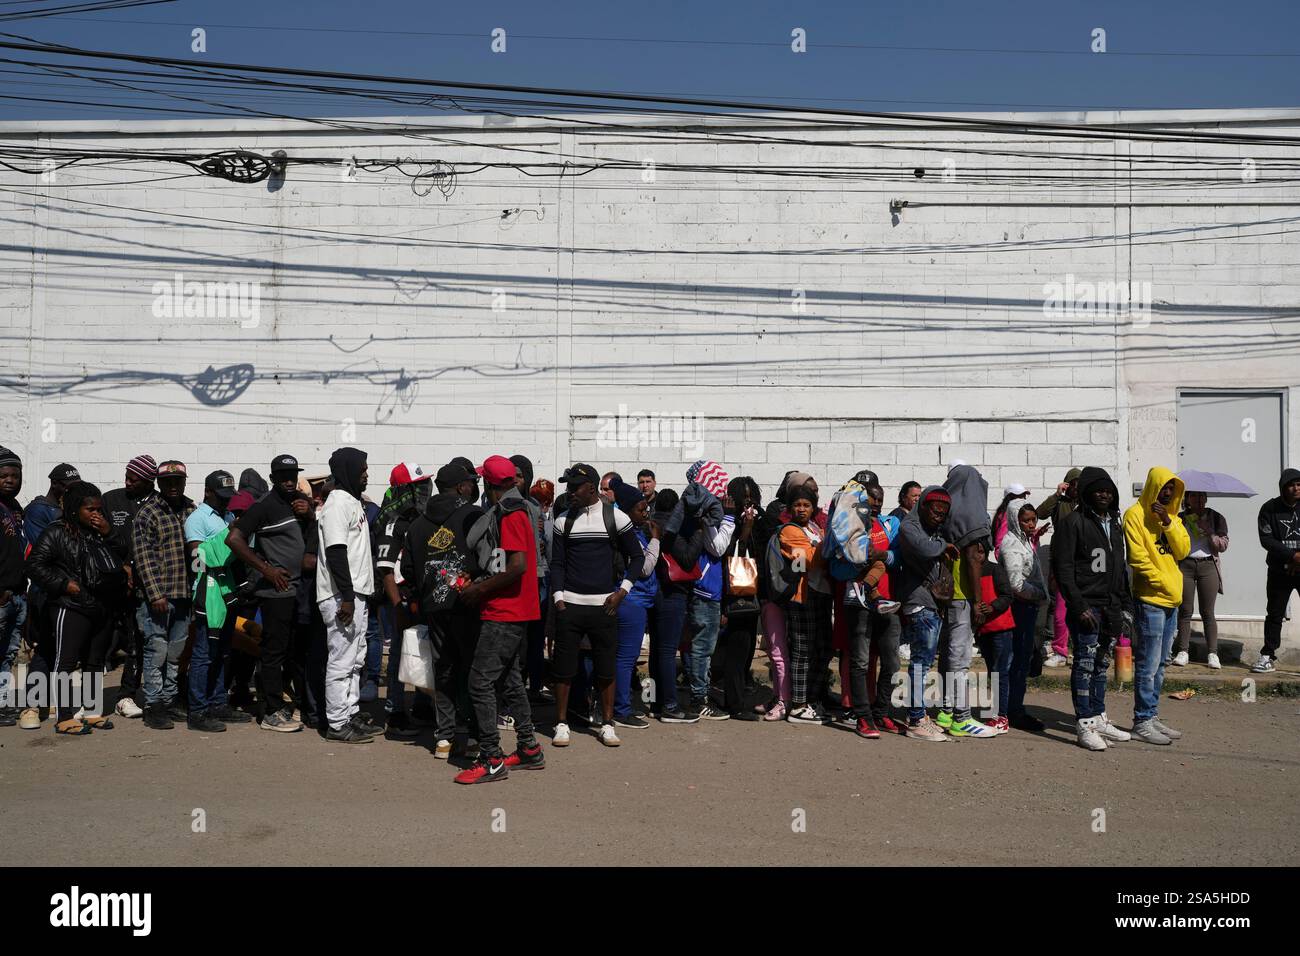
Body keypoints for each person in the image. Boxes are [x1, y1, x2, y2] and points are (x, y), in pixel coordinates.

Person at [453, 456, 544, 783]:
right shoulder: (511, 510)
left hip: (506, 611)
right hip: (510, 608)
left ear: (491, 485)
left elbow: (517, 565)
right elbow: (504, 559)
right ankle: (529, 748)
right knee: (509, 680)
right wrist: (479, 577)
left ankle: (491, 758)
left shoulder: (511, 513)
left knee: (479, 682)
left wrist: (480, 590)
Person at [549, 462, 644, 747]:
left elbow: (636, 558)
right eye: (567, 487)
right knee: (564, 669)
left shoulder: (615, 518)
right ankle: (562, 723)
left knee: (606, 668)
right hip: (571, 606)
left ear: (591, 487)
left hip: (605, 606)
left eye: (574, 487)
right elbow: (557, 564)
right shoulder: (562, 521)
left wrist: (622, 593)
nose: (569, 492)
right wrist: (558, 599)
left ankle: (607, 723)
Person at [26, 481, 125, 734]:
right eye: (90, 509)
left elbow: (123, 553)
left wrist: (109, 532)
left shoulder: (98, 531)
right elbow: (35, 565)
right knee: (66, 661)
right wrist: (64, 584)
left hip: (102, 605)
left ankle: (91, 712)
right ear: (73, 508)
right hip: (70, 606)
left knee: (94, 661)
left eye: (99, 509)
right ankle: (64, 717)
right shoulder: (57, 531)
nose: (96, 514)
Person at [401, 461, 484, 758]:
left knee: (444, 668)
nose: (474, 487)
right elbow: (486, 559)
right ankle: (475, 737)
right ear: (461, 487)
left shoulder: (418, 524)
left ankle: (444, 738)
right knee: (473, 670)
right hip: (468, 603)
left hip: (434, 607)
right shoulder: (474, 516)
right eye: (471, 483)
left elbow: (407, 569)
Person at [228, 454, 313, 732]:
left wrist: (309, 513)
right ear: (273, 478)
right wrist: (266, 570)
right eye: (283, 476)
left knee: (292, 650)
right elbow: (234, 539)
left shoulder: (299, 501)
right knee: (273, 651)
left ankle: (291, 703)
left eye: (292, 475)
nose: (289, 481)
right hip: (277, 590)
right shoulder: (263, 506)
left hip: (299, 588)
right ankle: (271, 712)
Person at [1052, 467, 1132, 751]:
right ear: (1086, 492)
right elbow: (1063, 568)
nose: (1104, 494)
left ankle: (1099, 717)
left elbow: (1120, 567)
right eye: (1098, 489)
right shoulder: (1073, 522)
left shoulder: (1115, 523)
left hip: (1110, 606)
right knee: (1084, 665)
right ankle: (1084, 724)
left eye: (1108, 490)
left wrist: (1124, 605)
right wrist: (1078, 604)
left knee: (1101, 665)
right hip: (1086, 606)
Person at [316, 447, 380, 744]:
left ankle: (350, 713)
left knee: (356, 660)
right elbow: (336, 552)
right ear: (347, 472)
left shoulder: (353, 502)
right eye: (362, 469)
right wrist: (347, 597)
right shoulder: (337, 504)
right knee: (342, 660)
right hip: (343, 596)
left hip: (356, 595)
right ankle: (338, 723)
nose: (366, 473)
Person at [1125, 467, 1191, 746]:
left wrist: (1167, 522)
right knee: (1148, 665)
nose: (1167, 493)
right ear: (1153, 486)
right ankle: (1141, 720)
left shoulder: (1170, 516)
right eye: (1163, 487)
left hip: (1172, 602)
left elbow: (1183, 550)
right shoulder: (1134, 516)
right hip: (1151, 601)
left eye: (1171, 490)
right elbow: (1138, 559)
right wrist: (1163, 584)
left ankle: (1151, 716)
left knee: (1161, 665)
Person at [183, 470, 251, 732]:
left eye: (228, 497)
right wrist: (228, 537)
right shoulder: (197, 519)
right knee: (203, 654)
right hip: (207, 592)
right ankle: (198, 711)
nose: (225, 502)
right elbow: (198, 559)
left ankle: (218, 702)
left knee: (223, 651)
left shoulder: (228, 515)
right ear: (207, 492)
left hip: (228, 591)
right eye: (220, 496)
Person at [131, 460, 195, 730]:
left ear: (183, 482)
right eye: (166, 482)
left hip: (184, 593)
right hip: (159, 597)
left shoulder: (191, 509)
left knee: (176, 652)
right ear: (158, 483)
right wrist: (155, 594)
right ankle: (153, 704)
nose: (172, 486)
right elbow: (143, 557)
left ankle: (170, 700)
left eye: (177, 481)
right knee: (156, 649)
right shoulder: (148, 512)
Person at [936, 464, 999, 738]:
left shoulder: (947, 512)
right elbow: (974, 558)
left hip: (947, 595)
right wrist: (979, 601)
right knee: (960, 658)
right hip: (962, 596)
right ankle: (962, 717)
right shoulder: (971, 515)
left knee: (948, 656)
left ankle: (946, 711)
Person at [374, 461, 434, 737]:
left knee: (423, 653)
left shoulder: (422, 519)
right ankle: (394, 712)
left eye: (426, 485)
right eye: (419, 486)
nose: (425, 490)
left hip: (423, 598)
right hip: (400, 598)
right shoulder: (392, 522)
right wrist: (397, 605)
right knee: (399, 654)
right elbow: (386, 568)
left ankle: (422, 705)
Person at [894, 486, 957, 741]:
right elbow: (925, 549)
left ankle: (916, 714)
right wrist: (942, 545)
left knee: (924, 662)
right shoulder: (910, 527)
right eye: (935, 511)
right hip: (919, 603)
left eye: (943, 514)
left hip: (932, 603)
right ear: (923, 507)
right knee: (920, 663)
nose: (938, 517)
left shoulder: (931, 530)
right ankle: (917, 721)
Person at [102, 454, 158, 718]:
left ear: (149, 481)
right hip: (107, 584)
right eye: (126, 475)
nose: (127, 482)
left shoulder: (159, 503)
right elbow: (97, 539)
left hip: (140, 588)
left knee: (137, 642)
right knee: (96, 641)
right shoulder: (112, 500)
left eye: (134, 479)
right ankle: (76, 700)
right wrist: (119, 566)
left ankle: (126, 696)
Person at [608, 477, 659, 729]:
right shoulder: (630, 536)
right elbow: (645, 568)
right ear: (627, 511)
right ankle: (621, 709)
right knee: (626, 658)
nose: (645, 512)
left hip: (633, 600)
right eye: (640, 509)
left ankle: (616, 705)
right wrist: (656, 539)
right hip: (632, 600)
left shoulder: (633, 532)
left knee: (622, 657)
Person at [780, 483, 832, 724]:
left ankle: (812, 699)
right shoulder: (789, 531)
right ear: (790, 508)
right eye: (797, 505)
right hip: (802, 597)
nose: (801, 509)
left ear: (813, 509)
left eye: (806, 505)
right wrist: (823, 546)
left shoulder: (814, 528)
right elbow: (806, 561)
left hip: (821, 593)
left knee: (823, 649)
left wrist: (819, 546)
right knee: (802, 651)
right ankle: (799, 705)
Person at [996, 500, 1048, 731]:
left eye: (1033, 520)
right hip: (1019, 608)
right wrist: (1039, 594)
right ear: (1015, 520)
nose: (1030, 524)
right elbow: (1017, 584)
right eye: (1025, 520)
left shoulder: (1025, 541)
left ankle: (1014, 707)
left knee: (1022, 659)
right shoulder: (1011, 545)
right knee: (1015, 661)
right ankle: (1011, 710)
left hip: (1028, 607)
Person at [650, 488, 699, 723]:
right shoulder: (672, 526)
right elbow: (687, 559)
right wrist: (698, 533)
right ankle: (670, 705)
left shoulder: (648, 522)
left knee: (657, 651)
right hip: (672, 592)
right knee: (668, 652)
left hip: (653, 592)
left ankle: (654, 701)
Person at [720, 477, 763, 721]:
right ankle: (734, 704)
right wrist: (744, 531)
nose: (747, 499)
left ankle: (737, 697)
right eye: (742, 495)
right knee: (736, 651)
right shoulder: (728, 520)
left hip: (754, 595)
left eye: (751, 494)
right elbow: (730, 554)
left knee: (746, 650)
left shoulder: (760, 519)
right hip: (734, 595)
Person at [1176, 491, 1229, 669]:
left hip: (1208, 565)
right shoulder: (1180, 518)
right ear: (1188, 499)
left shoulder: (1216, 517)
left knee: (1208, 612)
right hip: (1185, 565)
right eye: (1194, 496)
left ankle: (1212, 653)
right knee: (1185, 609)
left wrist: (1210, 532)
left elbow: (1223, 546)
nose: (1198, 500)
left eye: (1201, 496)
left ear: (1206, 498)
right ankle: (1183, 651)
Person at [1255, 467, 1300, 673]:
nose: (1296, 488)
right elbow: (1267, 539)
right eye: (1291, 485)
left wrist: (1299, 558)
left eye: (1299, 484)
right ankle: (1267, 655)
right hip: (1278, 571)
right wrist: (1292, 556)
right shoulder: (1269, 508)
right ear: (1283, 487)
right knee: (1274, 613)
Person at [1038, 468, 1082, 668]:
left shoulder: (1086, 503)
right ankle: (1060, 650)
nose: (1075, 487)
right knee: (1060, 608)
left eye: (1079, 483)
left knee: (1082, 608)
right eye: (1072, 483)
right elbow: (1040, 513)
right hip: (1061, 559)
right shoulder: (1060, 503)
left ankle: (1081, 651)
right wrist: (1056, 494)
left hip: (1082, 561)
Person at [971, 538, 1015, 735]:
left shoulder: (995, 570)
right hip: (984, 630)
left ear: (987, 552)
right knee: (993, 672)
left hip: (1000, 628)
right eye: (975, 552)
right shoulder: (971, 572)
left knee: (1000, 672)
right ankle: (996, 713)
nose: (978, 556)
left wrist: (991, 607)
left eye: (981, 552)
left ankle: (1001, 716)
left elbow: (1007, 596)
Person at [0, 447, 26, 726]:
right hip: (3, 594)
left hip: (17, 594)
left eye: (14, 475)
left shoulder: (15, 508)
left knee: (7, 653)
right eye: (4, 475)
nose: (10, 480)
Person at [23, 463, 80, 550]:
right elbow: (43, 546)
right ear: (54, 483)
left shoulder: (71, 507)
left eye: (77, 487)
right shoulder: (38, 510)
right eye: (69, 487)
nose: (74, 491)